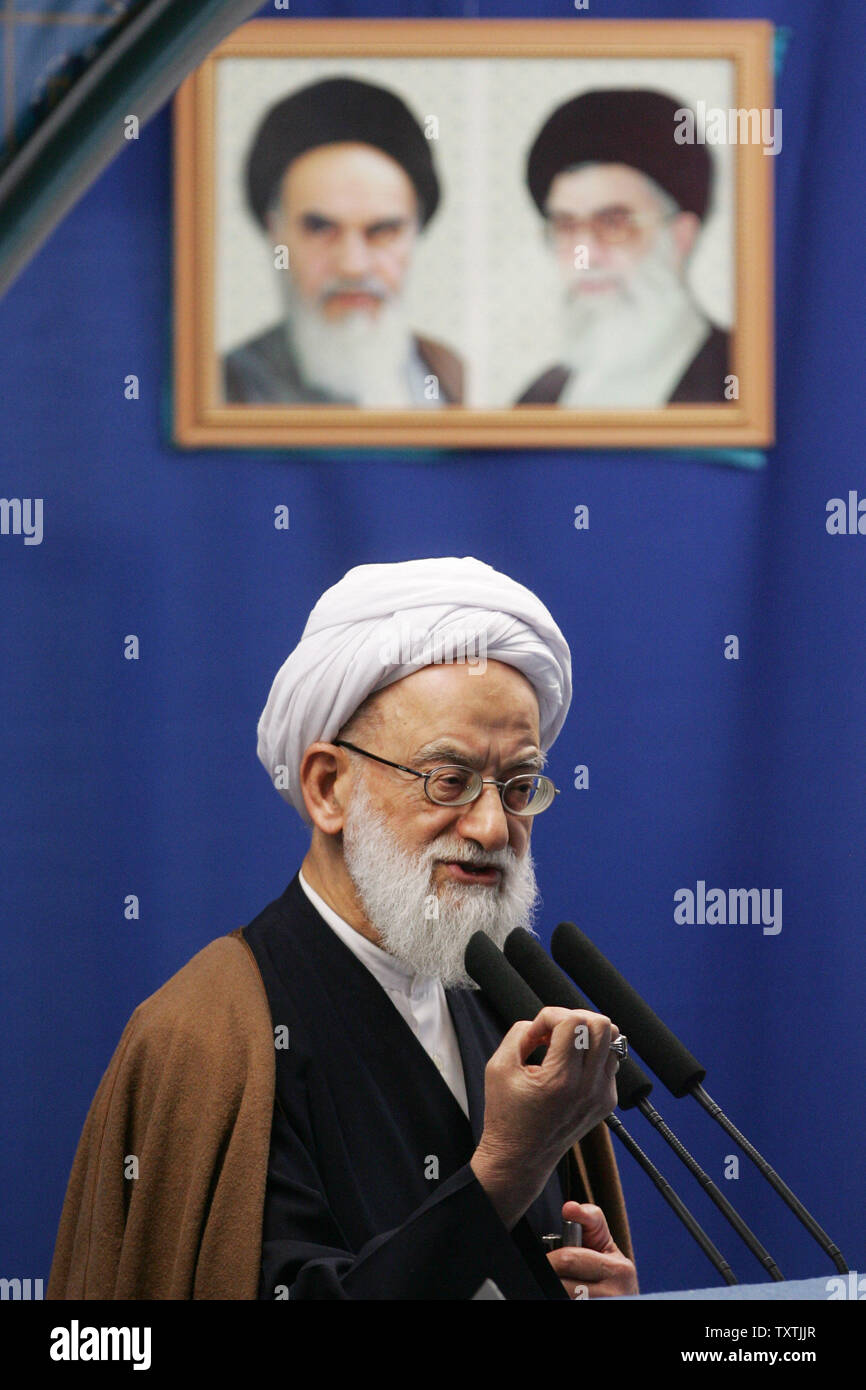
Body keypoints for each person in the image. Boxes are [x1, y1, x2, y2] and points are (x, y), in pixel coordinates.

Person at [47, 556, 636, 1300]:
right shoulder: (210, 1039)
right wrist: (503, 1174)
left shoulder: (507, 1007)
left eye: (518, 786)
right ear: (329, 787)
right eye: (448, 781)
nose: (493, 827)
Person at [223, 78, 464, 408]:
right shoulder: (222, 388)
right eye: (321, 229)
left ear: (415, 231)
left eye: (382, 232)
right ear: (275, 231)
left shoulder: (446, 372)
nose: (353, 265)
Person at [517, 89, 731, 409]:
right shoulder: (540, 398)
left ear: (680, 237)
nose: (585, 255)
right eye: (565, 226)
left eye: (614, 224)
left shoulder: (743, 376)